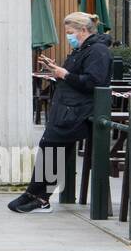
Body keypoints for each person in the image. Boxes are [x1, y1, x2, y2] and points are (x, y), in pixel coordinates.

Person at [9, 11, 112, 213]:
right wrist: (56, 70)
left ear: (83, 30)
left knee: (52, 147)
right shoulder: (84, 49)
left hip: (78, 111)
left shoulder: (97, 51)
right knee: (50, 148)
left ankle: (40, 197)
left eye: (70, 32)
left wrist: (64, 73)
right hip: (68, 108)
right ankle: (35, 194)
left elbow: (93, 81)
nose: (68, 36)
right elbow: (75, 76)